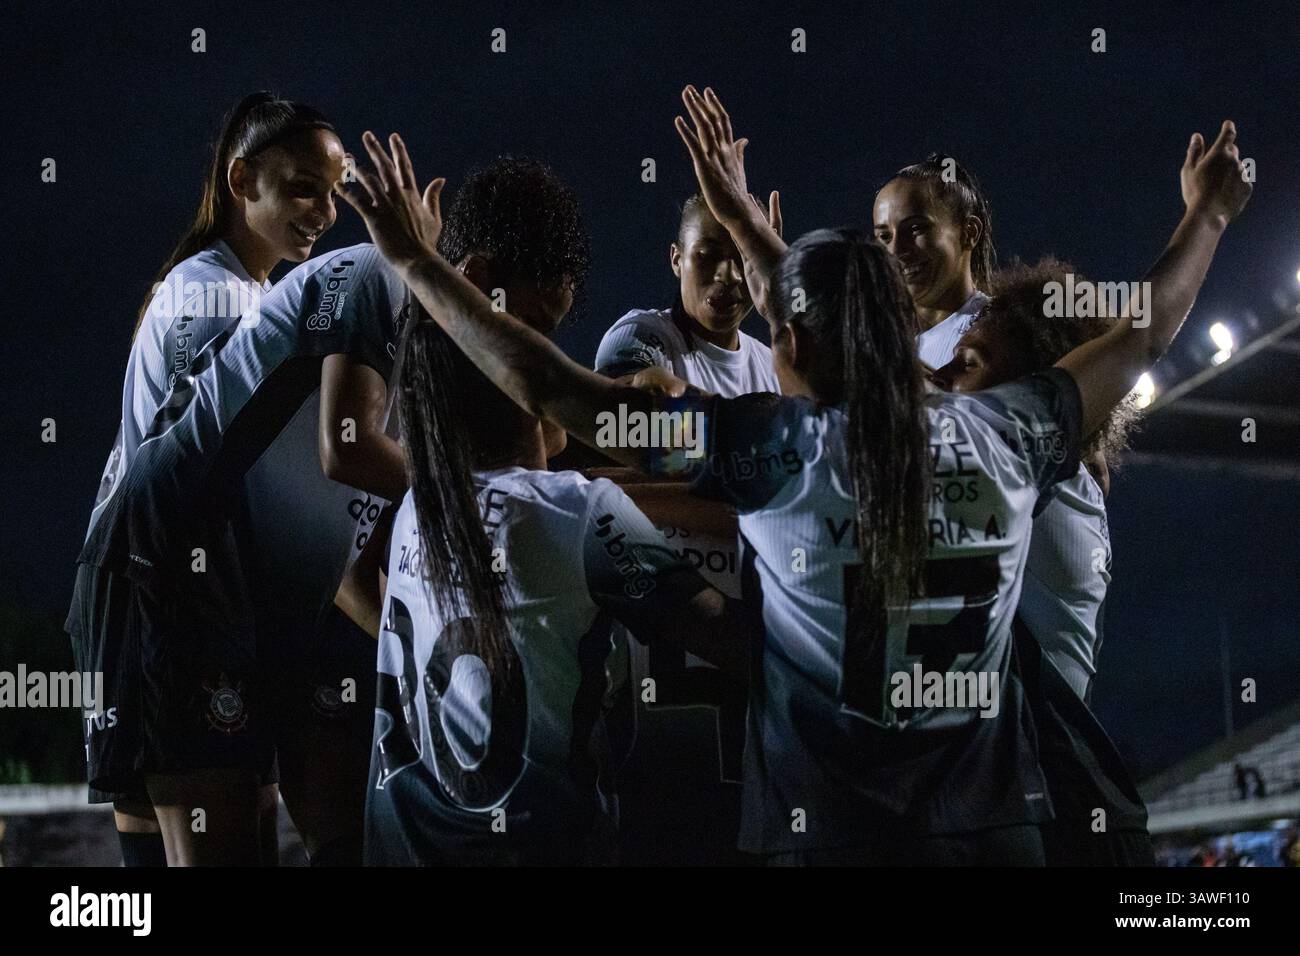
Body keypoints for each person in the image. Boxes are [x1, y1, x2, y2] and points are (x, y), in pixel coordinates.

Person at [337, 87, 1251, 863]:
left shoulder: (773, 450)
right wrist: (1206, 218)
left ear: (793, 341)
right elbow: (1142, 334)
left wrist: (416, 263)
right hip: (993, 828)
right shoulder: (1005, 432)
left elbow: (549, 386)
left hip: (822, 835)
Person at [362, 172, 747, 860]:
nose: (552, 353)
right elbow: (734, 638)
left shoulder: (415, 512)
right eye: (535, 334)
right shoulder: (579, 513)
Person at [74, 91, 343, 867]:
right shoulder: (211, 295)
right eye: (301, 187)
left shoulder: (246, 291)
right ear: (241, 180)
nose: (324, 212)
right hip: (169, 591)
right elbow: (198, 471)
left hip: (156, 587)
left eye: (333, 192)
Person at [931, 259, 1154, 865]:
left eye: (969, 361)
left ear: (1038, 389)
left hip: (1060, 825)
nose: (945, 374)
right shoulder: (1047, 476)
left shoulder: (1031, 481)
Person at [591, 189, 781, 864]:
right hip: (663, 664)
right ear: (676, 259)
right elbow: (626, 423)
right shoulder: (644, 332)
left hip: (751, 670)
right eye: (710, 256)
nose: (729, 278)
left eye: (743, 259)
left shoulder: (775, 360)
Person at [872, 153, 994, 369]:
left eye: (915, 228)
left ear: (969, 232)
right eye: (885, 237)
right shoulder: (880, 339)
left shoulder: (997, 335)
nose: (896, 250)